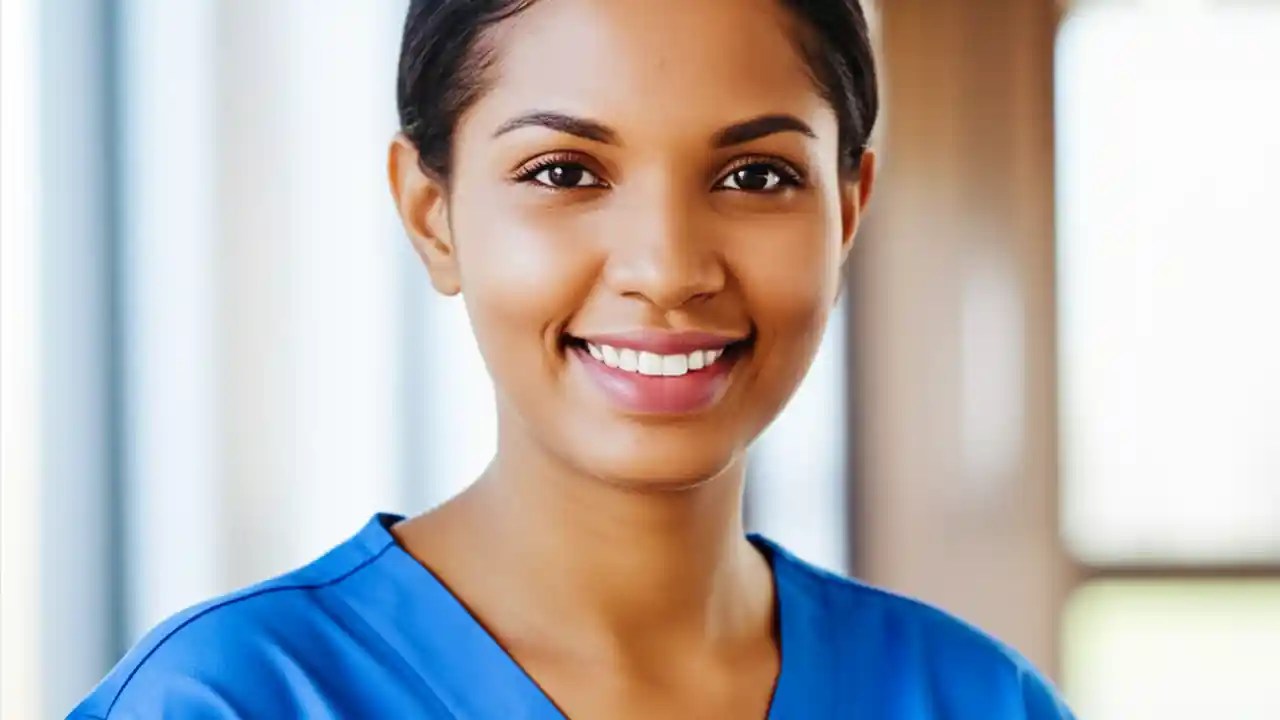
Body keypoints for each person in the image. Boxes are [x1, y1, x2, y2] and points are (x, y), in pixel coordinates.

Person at [71, 0, 1075, 717]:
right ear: (432, 215)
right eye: (564, 171)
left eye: (755, 175)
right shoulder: (232, 699)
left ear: (845, 213)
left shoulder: (975, 698)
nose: (667, 269)